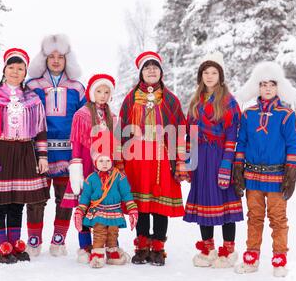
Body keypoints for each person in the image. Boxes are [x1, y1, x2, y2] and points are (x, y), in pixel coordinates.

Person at [0, 48, 49, 264]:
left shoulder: (33, 99)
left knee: (17, 203)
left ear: (25, 72)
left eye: (20, 68)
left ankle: (14, 244)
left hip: (24, 154)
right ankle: (1, 248)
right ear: (4, 70)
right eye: (11, 67)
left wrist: (42, 157)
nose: (15, 71)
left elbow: (41, 130)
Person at [117, 51, 188, 266]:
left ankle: (158, 247)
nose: (151, 71)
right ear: (141, 73)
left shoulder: (170, 100)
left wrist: (180, 160)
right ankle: (141, 246)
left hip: (161, 157)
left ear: (161, 72)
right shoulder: (130, 99)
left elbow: (180, 130)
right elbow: (121, 130)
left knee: (159, 204)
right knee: (139, 203)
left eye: (154, 67)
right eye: (147, 68)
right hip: (136, 158)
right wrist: (119, 160)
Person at [233, 61, 296, 277]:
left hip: (277, 174)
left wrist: (291, 171)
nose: (267, 88)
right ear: (257, 87)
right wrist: (237, 168)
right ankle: (251, 258)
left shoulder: (286, 114)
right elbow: (241, 142)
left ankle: (279, 260)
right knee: (254, 216)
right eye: (263, 84)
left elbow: (292, 144)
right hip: (252, 175)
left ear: (278, 86)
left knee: (278, 218)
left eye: (271, 84)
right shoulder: (248, 114)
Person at [26, 34, 86, 257]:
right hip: (38, 153)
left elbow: (84, 120)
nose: (56, 60)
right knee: (36, 198)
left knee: (65, 198)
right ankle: (33, 241)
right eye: (51, 56)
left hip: (67, 154)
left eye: (60, 56)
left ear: (67, 60)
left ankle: (58, 241)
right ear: (43, 59)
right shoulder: (31, 86)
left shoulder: (78, 88)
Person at [61, 73, 130, 263]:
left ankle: (108, 244)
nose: (102, 95)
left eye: (106, 92)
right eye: (99, 91)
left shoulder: (114, 118)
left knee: (107, 205)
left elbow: (117, 146)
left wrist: (118, 166)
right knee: (84, 204)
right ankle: (85, 246)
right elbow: (76, 144)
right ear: (92, 93)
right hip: (86, 163)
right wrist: (76, 166)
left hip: (106, 167)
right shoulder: (81, 115)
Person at [183, 52, 244, 268]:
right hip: (201, 157)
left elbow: (232, 136)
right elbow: (189, 134)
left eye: (214, 72)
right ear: (200, 76)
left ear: (220, 76)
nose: (209, 76)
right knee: (204, 204)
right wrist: (189, 163)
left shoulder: (228, 102)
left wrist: (227, 164)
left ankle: (228, 251)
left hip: (219, 156)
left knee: (225, 204)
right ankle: (207, 249)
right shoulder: (195, 101)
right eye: (206, 72)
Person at [73, 152, 138, 268]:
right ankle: (97, 255)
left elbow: (126, 193)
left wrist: (132, 209)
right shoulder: (91, 179)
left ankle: (112, 253)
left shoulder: (119, 177)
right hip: (98, 212)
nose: (104, 164)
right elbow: (85, 197)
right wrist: (80, 211)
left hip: (115, 212)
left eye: (108, 161)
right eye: (101, 161)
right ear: (95, 163)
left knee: (113, 233)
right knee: (99, 233)